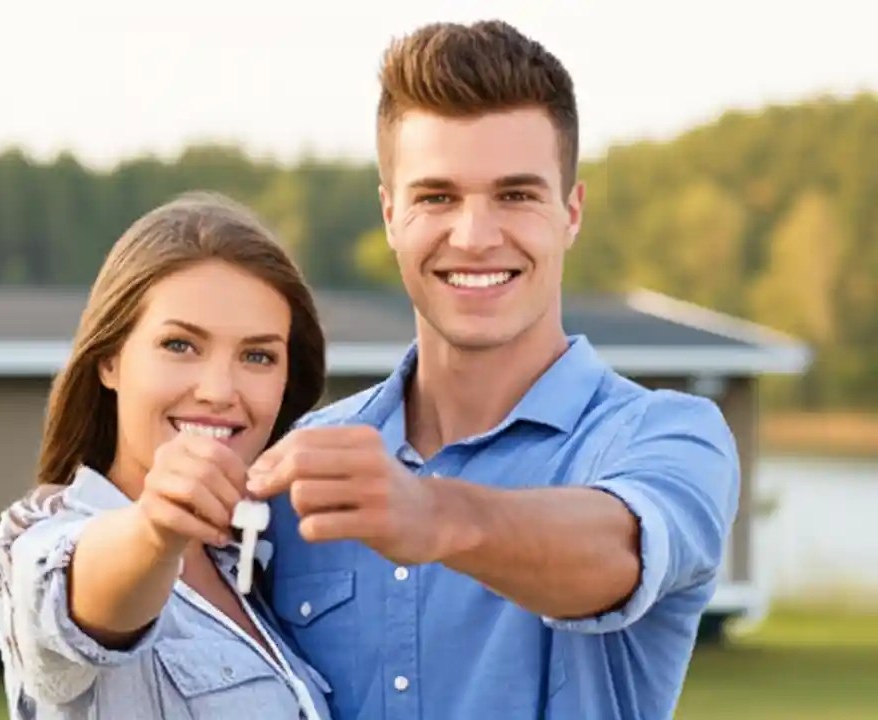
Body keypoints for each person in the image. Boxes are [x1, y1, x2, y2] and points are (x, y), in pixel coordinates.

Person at [243, 20, 741, 720]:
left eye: (515, 195)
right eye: (437, 197)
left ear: (570, 212)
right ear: (390, 215)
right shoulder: (303, 464)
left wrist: (434, 512)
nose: (475, 237)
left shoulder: (668, 438)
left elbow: (619, 551)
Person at [0, 192, 334, 719]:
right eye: (180, 346)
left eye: (258, 356)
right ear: (109, 361)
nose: (219, 390)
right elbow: (83, 595)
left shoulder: (264, 562)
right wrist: (155, 529)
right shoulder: (39, 535)